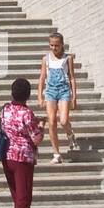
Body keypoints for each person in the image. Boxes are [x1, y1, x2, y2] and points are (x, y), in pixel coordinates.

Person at [0, 78, 46, 208]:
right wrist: (41, 127)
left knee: (16, 194)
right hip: (22, 158)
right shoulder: (27, 113)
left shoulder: (5, 109)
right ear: (27, 94)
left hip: (6, 156)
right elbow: (36, 139)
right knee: (24, 195)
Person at [37, 32, 78, 163]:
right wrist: (39, 96)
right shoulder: (46, 59)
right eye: (51, 45)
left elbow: (72, 77)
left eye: (57, 45)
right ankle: (56, 153)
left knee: (64, 120)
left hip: (64, 90)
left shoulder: (68, 58)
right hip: (50, 91)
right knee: (52, 121)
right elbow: (42, 78)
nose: (54, 48)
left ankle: (70, 134)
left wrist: (74, 96)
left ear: (62, 45)